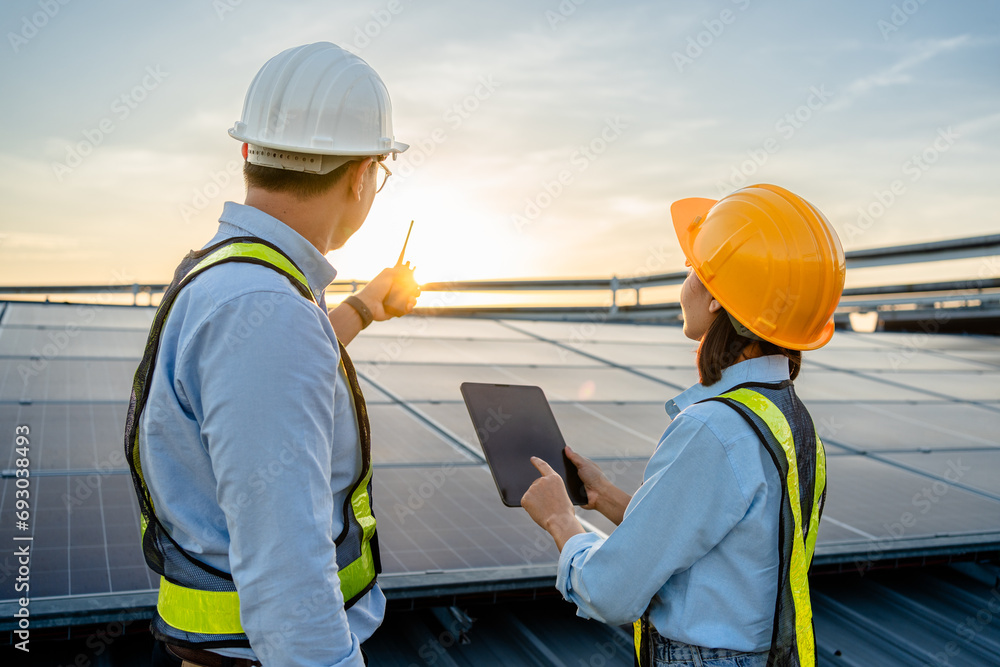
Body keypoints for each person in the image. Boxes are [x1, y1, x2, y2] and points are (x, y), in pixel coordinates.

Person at [125, 42, 419, 666]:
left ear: (247, 153)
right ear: (365, 173)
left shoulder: (233, 278)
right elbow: (288, 574)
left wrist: (363, 308)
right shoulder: (266, 310)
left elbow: (274, 371)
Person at [522, 184, 845, 667]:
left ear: (717, 299)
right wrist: (607, 498)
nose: (687, 282)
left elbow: (609, 591)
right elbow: (726, 549)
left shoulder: (715, 428)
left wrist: (560, 521)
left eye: (695, 269)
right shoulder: (791, 423)